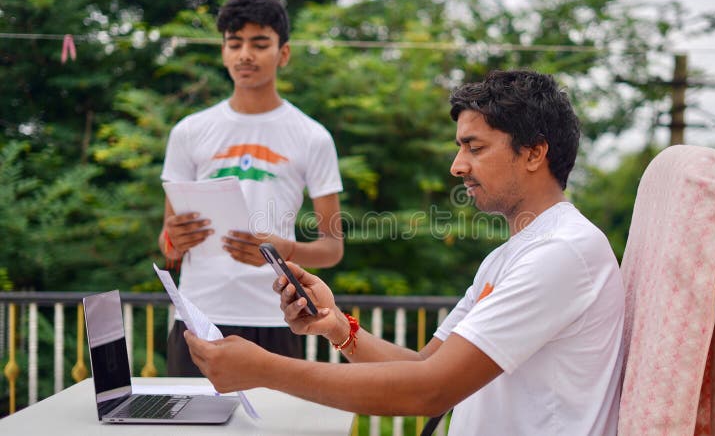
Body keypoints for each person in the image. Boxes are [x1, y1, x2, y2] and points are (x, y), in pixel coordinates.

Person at [184, 70, 625, 435]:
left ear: (534, 153)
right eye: (459, 147)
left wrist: (265, 370)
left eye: (475, 147)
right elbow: (424, 365)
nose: (457, 165)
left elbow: (429, 391)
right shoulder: (513, 255)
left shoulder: (562, 253)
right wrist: (337, 326)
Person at [159, 0, 344, 376]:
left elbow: (332, 248)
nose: (245, 54)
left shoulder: (312, 136)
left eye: (260, 44)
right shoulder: (189, 132)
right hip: (198, 316)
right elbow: (168, 246)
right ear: (224, 51)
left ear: (284, 53)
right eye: (235, 43)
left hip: (277, 317)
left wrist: (285, 249)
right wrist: (175, 239)